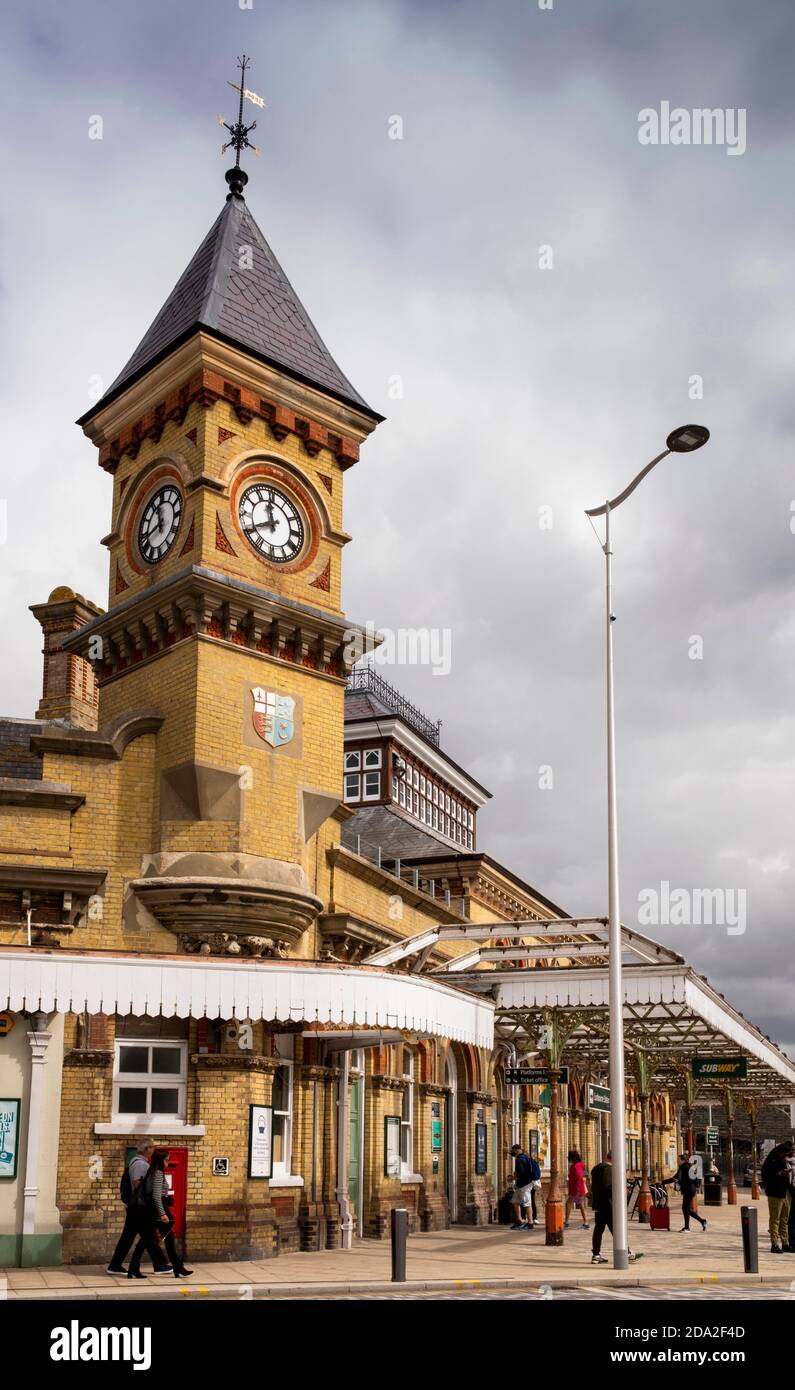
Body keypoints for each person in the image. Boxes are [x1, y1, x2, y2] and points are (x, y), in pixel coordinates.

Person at [107, 1140, 171, 1276]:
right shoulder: (141, 1164)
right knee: (149, 1235)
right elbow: (139, 1185)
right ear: (147, 1148)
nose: (154, 1149)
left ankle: (115, 1265)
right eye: (152, 1147)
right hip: (140, 1208)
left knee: (130, 1237)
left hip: (134, 1207)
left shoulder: (137, 1162)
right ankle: (159, 1265)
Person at [590, 1152, 642, 1265]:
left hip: (598, 1204)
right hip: (608, 1204)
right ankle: (627, 1254)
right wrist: (621, 1189)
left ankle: (596, 1254)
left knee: (599, 1229)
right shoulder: (608, 1169)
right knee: (617, 1229)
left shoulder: (596, 1169)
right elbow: (608, 1186)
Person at [761, 1140, 794, 1253]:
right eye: (785, 1153)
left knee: (785, 1220)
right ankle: (774, 1244)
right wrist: (779, 1174)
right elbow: (765, 1177)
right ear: (780, 1152)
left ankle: (785, 1243)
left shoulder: (782, 1160)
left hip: (786, 1193)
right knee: (775, 1219)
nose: (787, 1155)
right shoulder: (771, 1161)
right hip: (775, 1193)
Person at [509, 1143, 540, 1229]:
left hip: (524, 1185)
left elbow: (520, 1173)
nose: (512, 1153)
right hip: (521, 1185)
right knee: (515, 1202)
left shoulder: (519, 1159)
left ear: (516, 1150)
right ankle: (519, 1221)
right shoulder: (526, 1157)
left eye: (513, 1151)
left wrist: (512, 1178)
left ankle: (530, 1223)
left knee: (527, 1203)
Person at [675, 1152, 707, 1232]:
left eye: (678, 1159)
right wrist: (663, 1182)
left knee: (685, 1208)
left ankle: (687, 1228)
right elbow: (674, 1178)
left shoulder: (687, 1168)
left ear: (682, 1160)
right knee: (687, 1209)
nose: (677, 1161)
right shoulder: (682, 1168)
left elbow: (690, 1181)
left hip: (690, 1190)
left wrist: (680, 1183)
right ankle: (702, 1221)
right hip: (688, 1190)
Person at [565, 1149, 589, 1229]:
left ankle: (584, 1222)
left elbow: (579, 1178)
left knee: (571, 1204)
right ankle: (585, 1222)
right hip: (576, 1189)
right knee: (577, 1205)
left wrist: (577, 1190)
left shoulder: (575, 1166)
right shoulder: (577, 1165)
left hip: (576, 1189)